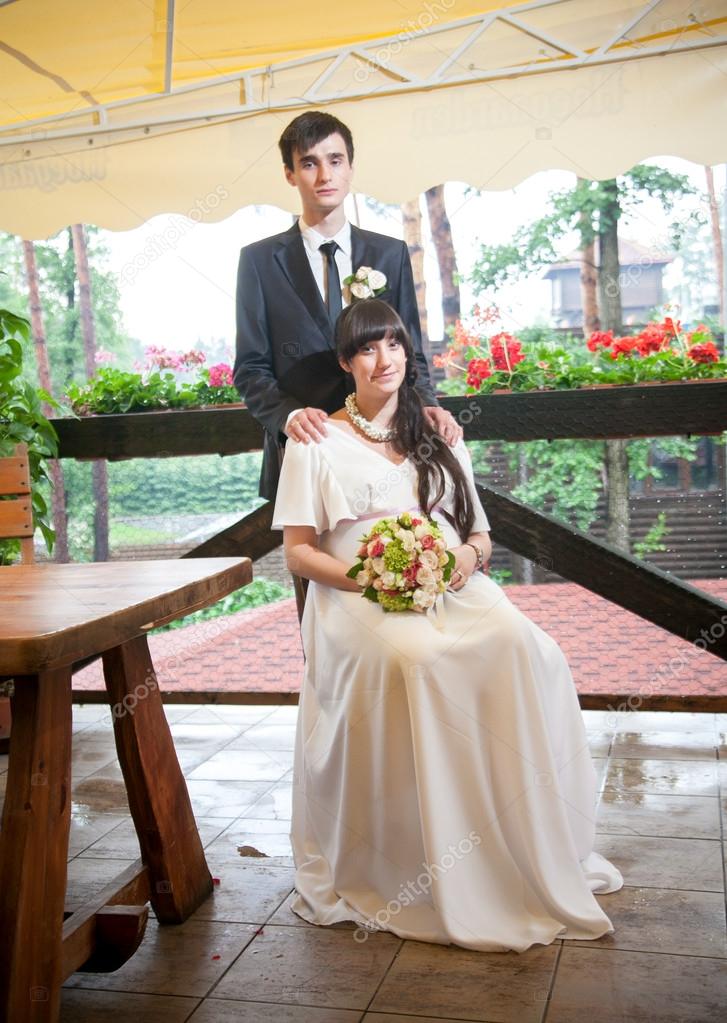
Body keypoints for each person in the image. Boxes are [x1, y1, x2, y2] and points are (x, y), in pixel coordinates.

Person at [271, 298, 623, 953]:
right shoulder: (315, 437)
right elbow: (297, 551)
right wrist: (372, 578)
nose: (386, 360)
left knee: (526, 646)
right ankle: (419, 859)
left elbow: (480, 533)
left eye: (395, 345)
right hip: (354, 595)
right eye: (369, 349)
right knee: (417, 663)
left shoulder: (436, 430)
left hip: (446, 582)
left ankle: (520, 838)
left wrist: (461, 556)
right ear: (346, 362)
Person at [233, 109, 460, 501]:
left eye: (335, 161)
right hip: (307, 452)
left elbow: (412, 356)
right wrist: (289, 416)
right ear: (289, 174)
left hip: (391, 449)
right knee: (312, 564)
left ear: (350, 167)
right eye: (309, 163)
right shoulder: (258, 262)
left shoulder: (390, 254)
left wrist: (427, 404)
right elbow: (250, 369)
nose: (325, 176)